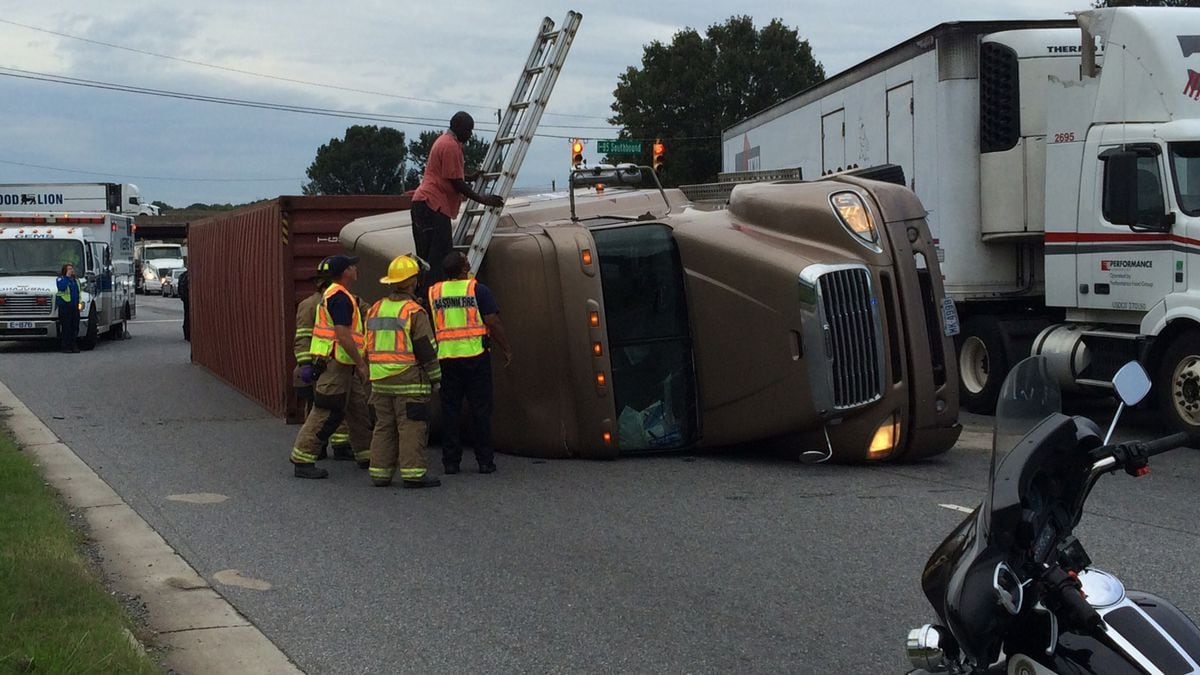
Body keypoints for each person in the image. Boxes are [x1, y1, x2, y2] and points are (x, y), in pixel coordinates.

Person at [289, 255, 372, 479]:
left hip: (342, 364)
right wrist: (361, 363)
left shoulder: (344, 297)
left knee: (357, 408)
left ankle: (366, 454)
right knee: (325, 410)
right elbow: (343, 334)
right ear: (346, 272)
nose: (356, 269)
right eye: (352, 266)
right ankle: (303, 458)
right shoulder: (338, 297)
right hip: (336, 364)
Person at [428, 251, 511, 474]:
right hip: (475, 356)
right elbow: (492, 320)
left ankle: (451, 462)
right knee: (481, 411)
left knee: (450, 411)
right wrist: (506, 348)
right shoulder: (477, 290)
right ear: (465, 269)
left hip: (446, 357)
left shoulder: (435, 292)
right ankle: (485, 461)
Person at [364, 255, 443, 488]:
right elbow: (426, 348)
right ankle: (413, 473)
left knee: (384, 426)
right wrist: (436, 379)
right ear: (413, 282)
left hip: (379, 380)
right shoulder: (413, 311)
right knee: (411, 426)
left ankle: (379, 473)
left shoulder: (376, 309)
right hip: (408, 379)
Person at [410, 111, 505, 294]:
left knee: (426, 261)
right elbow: (456, 182)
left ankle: (422, 296)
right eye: (469, 130)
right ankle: (432, 299)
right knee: (440, 259)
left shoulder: (444, 142)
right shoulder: (450, 145)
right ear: (459, 127)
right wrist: (484, 200)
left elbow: (450, 174)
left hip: (423, 204)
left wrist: (470, 176)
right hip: (432, 206)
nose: (470, 134)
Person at [292, 261, 354, 462]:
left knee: (332, 406)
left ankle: (338, 445)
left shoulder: (332, 301)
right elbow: (303, 338)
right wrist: (305, 365)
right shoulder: (312, 305)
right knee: (320, 409)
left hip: (326, 363)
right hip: (319, 364)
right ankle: (314, 450)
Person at [55, 263, 81, 353]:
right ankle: (66, 346)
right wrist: (66, 277)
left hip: (74, 306)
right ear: (65, 270)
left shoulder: (76, 280)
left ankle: (74, 345)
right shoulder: (60, 279)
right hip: (65, 306)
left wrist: (79, 303)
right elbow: (61, 287)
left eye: (72, 269)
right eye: (69, 269)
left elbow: (79, 292)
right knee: (66, 327)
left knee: (75, 327)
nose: (71, 270)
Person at [177, 269, 190, 341]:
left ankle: (186, 334)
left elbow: (180, 288)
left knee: (187, 316)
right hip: (188, 298)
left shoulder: (183, 276)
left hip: (185, 299)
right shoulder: (187, 276)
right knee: (188, 316)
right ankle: (188, 333)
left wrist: (182, 297)